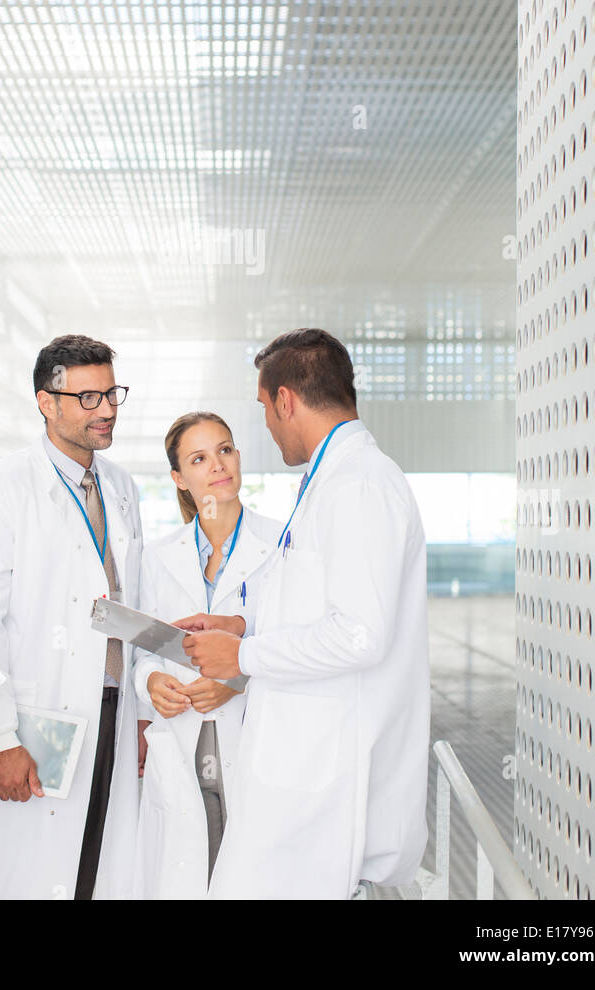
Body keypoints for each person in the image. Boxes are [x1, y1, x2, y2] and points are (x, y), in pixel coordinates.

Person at [179, 328, 430, 900]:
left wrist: (241, 655)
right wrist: (240, 626)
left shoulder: (359, 485)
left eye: (265, 408)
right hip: (307, 784)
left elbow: (360, 635)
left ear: (286, 400)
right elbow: (320, 602)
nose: (266, 424)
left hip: (330, 797)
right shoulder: (333, 481)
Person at [0, 334, 145, 900]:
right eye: (88, 398)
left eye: (111, 394)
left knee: (103, 867)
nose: (106, 409)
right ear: (47, 402)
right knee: (31, 874)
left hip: (112, 705)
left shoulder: (121, 487)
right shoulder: (0, 490)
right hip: (35, 719)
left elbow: (127, 600)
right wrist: (0, 737)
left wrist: (140, 712)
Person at [133, 412, 280, 899]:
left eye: (225, 449)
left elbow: (300, 647)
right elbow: (145, 649)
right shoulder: (157, 556)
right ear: (179, 478)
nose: (218, 465)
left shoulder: (283, 545)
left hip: (257, 730)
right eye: (199, 458)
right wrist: (151, 683)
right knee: (182, 870)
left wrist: (238, 678)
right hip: (179, 733)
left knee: (250, 870)